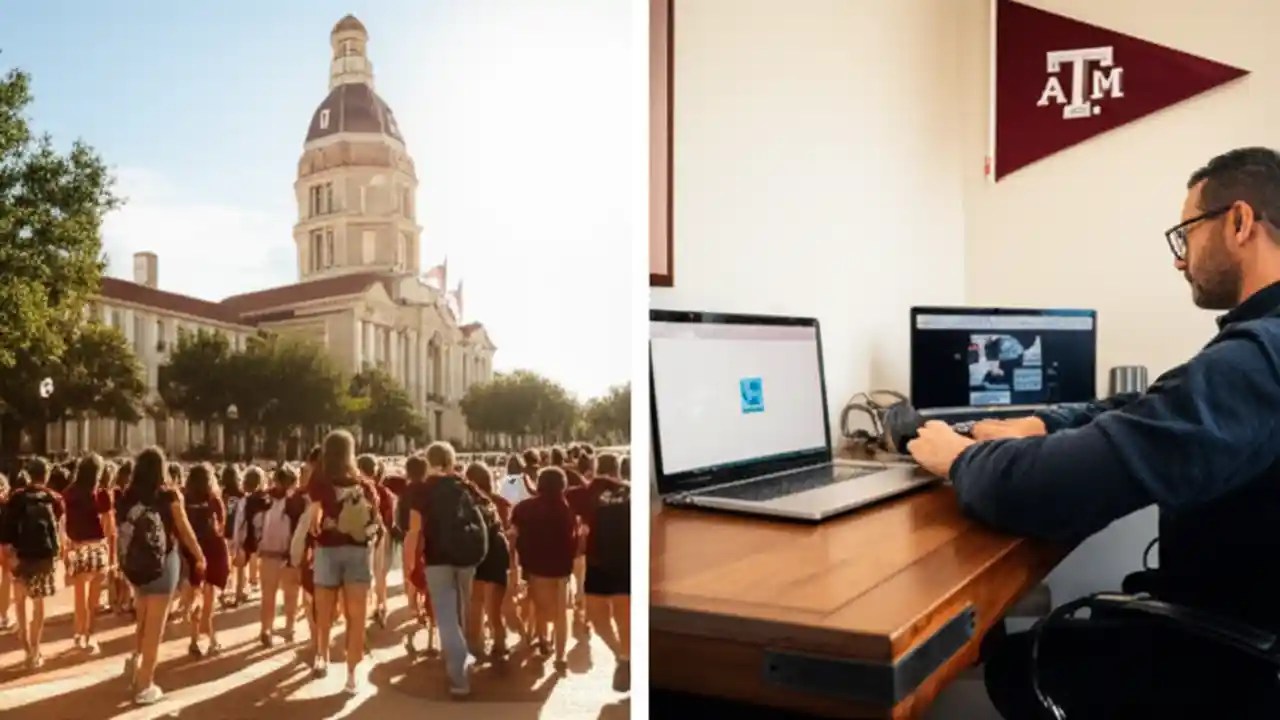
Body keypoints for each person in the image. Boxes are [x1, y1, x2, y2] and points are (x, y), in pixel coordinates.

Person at [906, 146, 1280, 718]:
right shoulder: (1258, 344)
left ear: (1238, 222)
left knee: (1010, 663)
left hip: (1223, 667)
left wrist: (957, 458)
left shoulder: (1259, 358)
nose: (1180, 261)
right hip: (1241, 632)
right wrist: (1040, 422)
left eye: (1185, 234)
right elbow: (1150, 406)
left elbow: (1051, 491)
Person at [117, 447, 205, 705]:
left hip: (135, 566)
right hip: (164, 564)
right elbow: (185, 530)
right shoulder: (169, 495)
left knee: (143, 619)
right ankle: (146, 684)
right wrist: (199, 556)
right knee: (156, 628)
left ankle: (135, 660)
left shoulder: (126, 496)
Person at [303, 430, 383, 693]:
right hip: (358, 552)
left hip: (327, 549)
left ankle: (321, 656)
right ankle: (351, 673)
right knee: (356, 615)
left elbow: (313, 523)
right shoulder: (365, 484)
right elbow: (375, 523)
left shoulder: (320, 480)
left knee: (323, 610)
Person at [405, 442, 482, 696]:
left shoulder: (421, 490)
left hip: (437, 558)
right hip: (467, 555)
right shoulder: (464, 485)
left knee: (446, 616)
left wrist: (411, 562)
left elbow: (414, 530)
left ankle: (458, 673)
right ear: (451, 460)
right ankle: (465, 654)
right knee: (464, 609)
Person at [567, 452, 630, 690]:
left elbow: (565, 496)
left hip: (597, 560)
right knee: (623, 614)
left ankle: (621, 655)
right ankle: (625, 657)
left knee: (596, 615)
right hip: (625, 559)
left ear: (594, 469)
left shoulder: (585, 493)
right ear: (616, 470)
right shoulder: (629, 491)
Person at [0, 458, 64, 670]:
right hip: (44, 559)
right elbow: (59, 530)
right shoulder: (54, 499)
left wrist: (11, 558)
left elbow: (6, 534)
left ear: (28, 475)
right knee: (38, 604)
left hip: (21, 557)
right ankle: (36, 650)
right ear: (45, 476)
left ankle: (26, 647)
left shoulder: (17, 498)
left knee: (20, 602)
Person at [511, 466, 577, 672]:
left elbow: (514, 536)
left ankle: (542, 640)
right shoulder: (567, 509)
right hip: (562, 567)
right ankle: (560, 655)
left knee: (539, 608)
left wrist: (514, 566)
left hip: (534, 566)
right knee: (561, 614)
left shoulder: (523, 508)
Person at [62, 453, 115, 654]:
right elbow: (108, 526)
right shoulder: (101, 494)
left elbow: (63, 522)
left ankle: (78, 634)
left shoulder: (69, 493)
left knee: (79, 595)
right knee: (94, 599)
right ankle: (89, 635)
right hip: (96, 546)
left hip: (76, 545)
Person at [181, 462, 230, 656]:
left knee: (195, 593)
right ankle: (211, 639)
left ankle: (194, 639)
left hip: (192, 548)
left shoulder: (184, 499)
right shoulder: (213, 499)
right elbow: (222, 524)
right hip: (213, 548)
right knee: (209, 597)